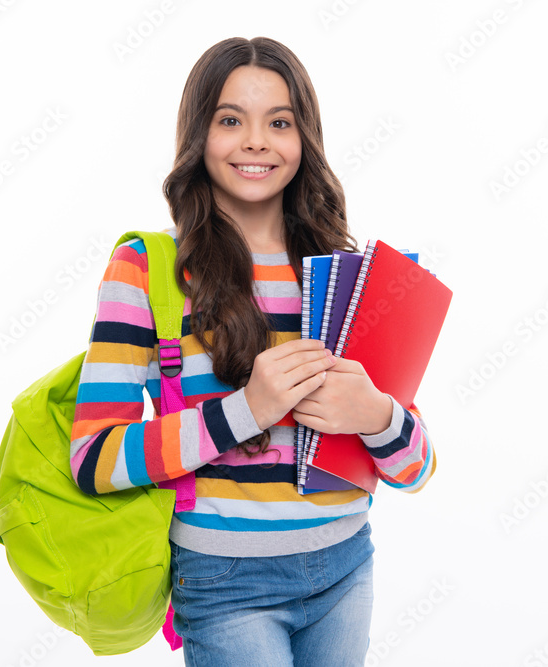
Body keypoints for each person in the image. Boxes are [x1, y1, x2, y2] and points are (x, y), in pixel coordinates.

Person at [69, 36, 436, 666]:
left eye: (280, 122)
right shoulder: (148, 269)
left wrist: (377, 415)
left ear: (305, 138)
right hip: (225, 583)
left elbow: (417, 470)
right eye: (231, 120)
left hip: (347, 568)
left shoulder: (346, 274)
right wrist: (247, 409)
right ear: (198, 135)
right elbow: (95, 459)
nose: (257, 142)